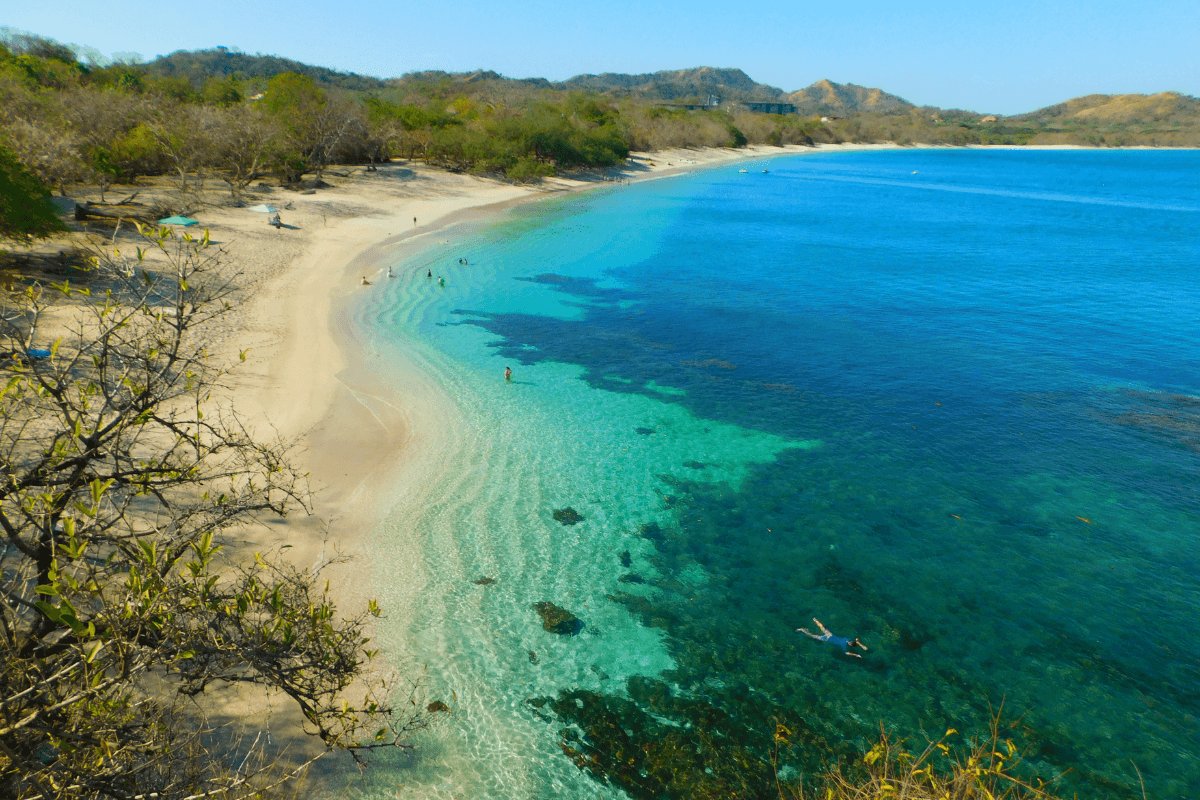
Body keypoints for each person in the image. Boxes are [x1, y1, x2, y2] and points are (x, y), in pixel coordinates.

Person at [797, 618, 867, 658]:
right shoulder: (844, 645)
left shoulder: (847, 639)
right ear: (851, 645)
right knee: (812, 636)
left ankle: (815, 620)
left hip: (830, 635)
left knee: (822, 628)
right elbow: (847, 653)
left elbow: (856, 640)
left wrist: (861, 645)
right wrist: (856, 655)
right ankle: (802, 630)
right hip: (826, 639)